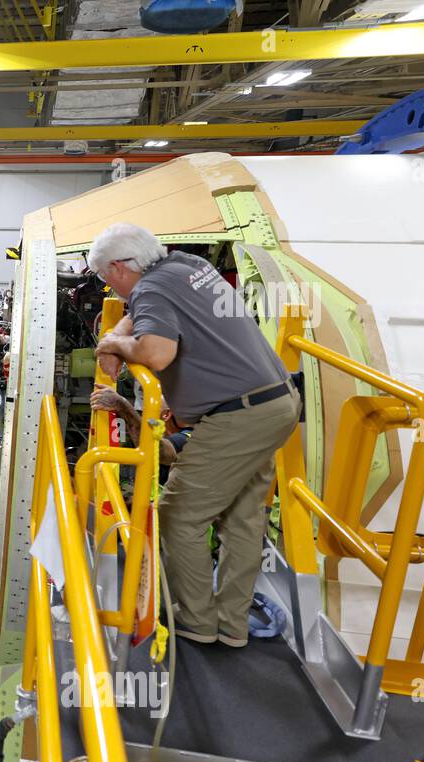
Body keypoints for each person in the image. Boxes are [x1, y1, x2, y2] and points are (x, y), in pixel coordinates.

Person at [89, 222, 299, 648]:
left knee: (179, 516)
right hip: (277, 403)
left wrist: (114, 347)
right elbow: (136, 313)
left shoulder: (152, 288)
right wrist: (117, 333)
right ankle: (231, 626)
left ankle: (198, 622)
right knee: (241, 520)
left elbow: (156, 351)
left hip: (238, 415)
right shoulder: (186, 265)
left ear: (119, 267)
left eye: (106, 278)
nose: (111, 290)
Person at [89, 383, 191, 485]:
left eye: (149, 410)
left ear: (166, 415)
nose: (143, 416)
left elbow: (156, 451)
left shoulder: (190, 438)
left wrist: (122, 406)